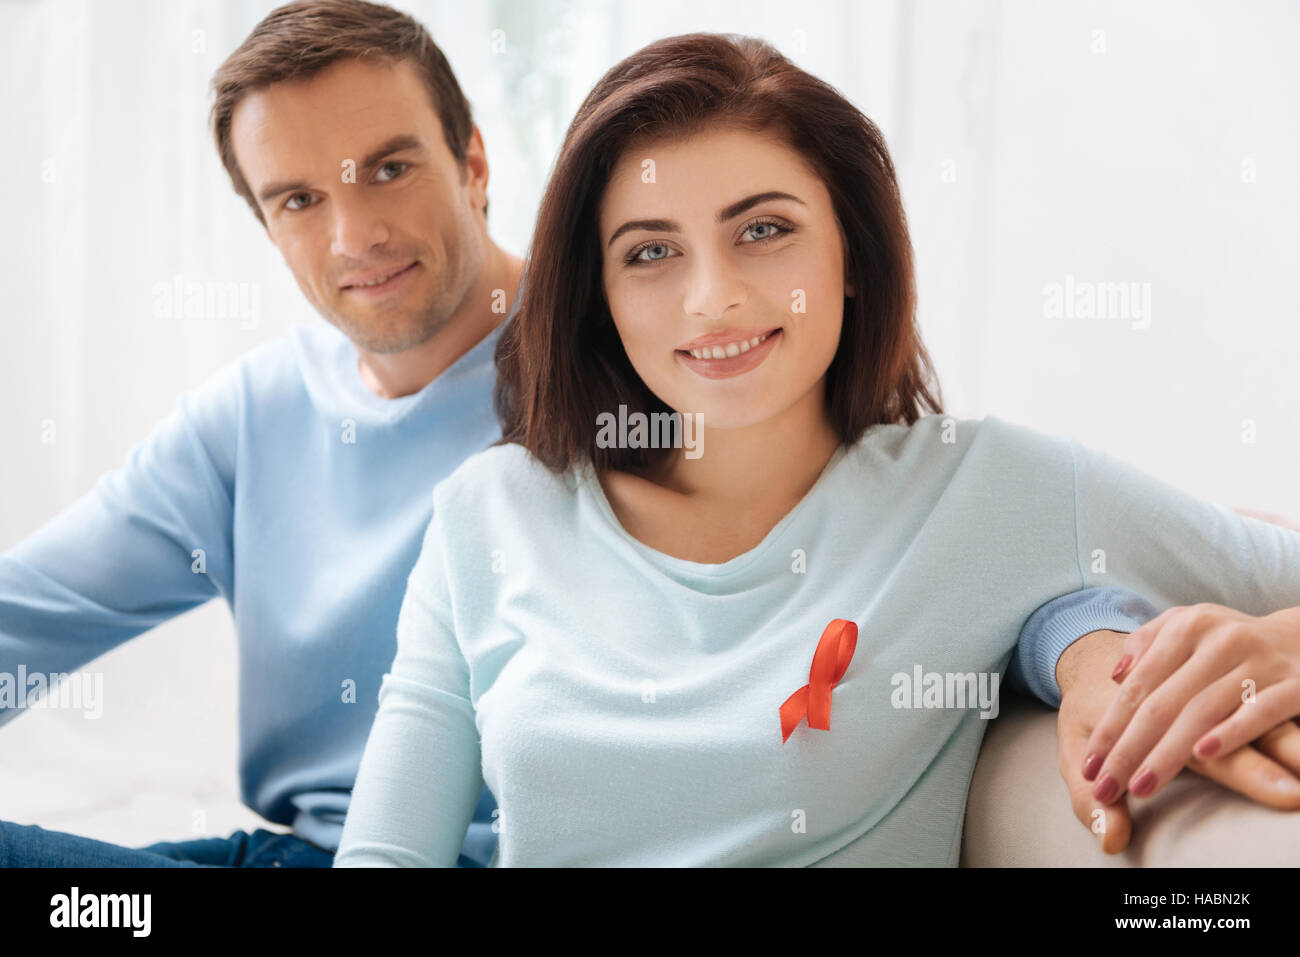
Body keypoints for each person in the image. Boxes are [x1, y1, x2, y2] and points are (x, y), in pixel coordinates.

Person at [332, 32, 1300, 867]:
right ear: (601, 296)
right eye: (650, 251)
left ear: (850, 256)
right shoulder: (487, 514)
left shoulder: (991, 489)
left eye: (763, 230)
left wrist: (1273, 644)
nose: (712, 297)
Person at [0, 0, 522, 868]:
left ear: (472, 160)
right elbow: (22, 616)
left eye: (389, 168)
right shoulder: (253, 417)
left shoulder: (617, 365)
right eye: (301, 199)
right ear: (268, 226)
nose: (356, 236)